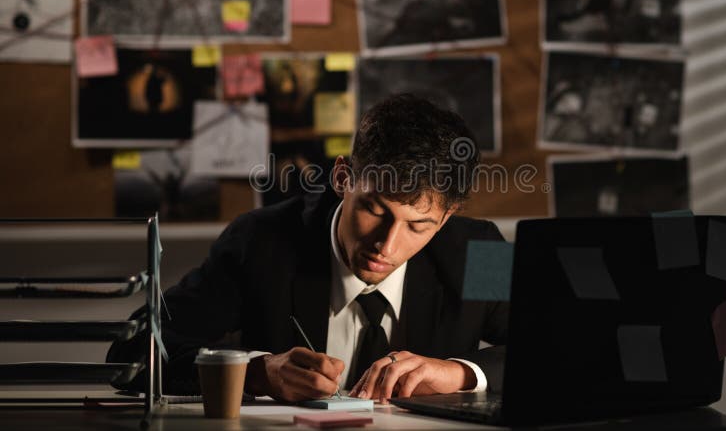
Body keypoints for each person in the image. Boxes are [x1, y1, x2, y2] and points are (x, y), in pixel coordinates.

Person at [108, 94, 508, 402]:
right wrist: (258, 372)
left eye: (418, 226)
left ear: (448, 214)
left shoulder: (481, 248)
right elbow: (131, 352)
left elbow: (557, 350)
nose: (386, 245)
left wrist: (460, 373)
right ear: (342, 177)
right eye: (373, 209)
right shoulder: (259, 241)